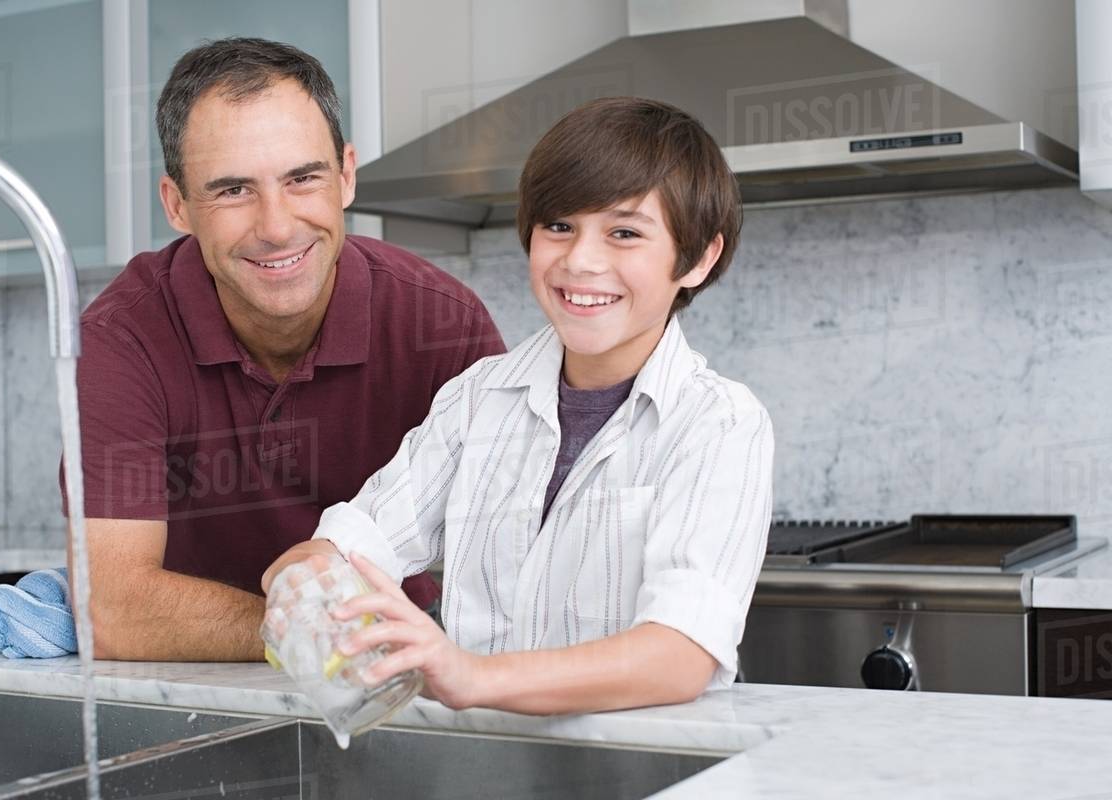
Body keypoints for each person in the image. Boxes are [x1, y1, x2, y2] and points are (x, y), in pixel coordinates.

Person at [262, 96, 774, 713]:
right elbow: (352, 544)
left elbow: (679, 655)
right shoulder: (477, 399)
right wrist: (305, 577)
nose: (580, 260)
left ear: (698, 258)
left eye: (624, 233)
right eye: (558, 226)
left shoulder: (720, 424)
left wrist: (471, 676)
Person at [64, 38, 504, 661]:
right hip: (202, 676)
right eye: (233, 190)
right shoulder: (121, 340)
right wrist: (327, 639)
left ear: (346, 175)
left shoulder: (442, 324)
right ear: (178, 205)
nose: (276, 225)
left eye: (303, 179)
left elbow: (505, 555)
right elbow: (109, 611)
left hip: (401, 662)